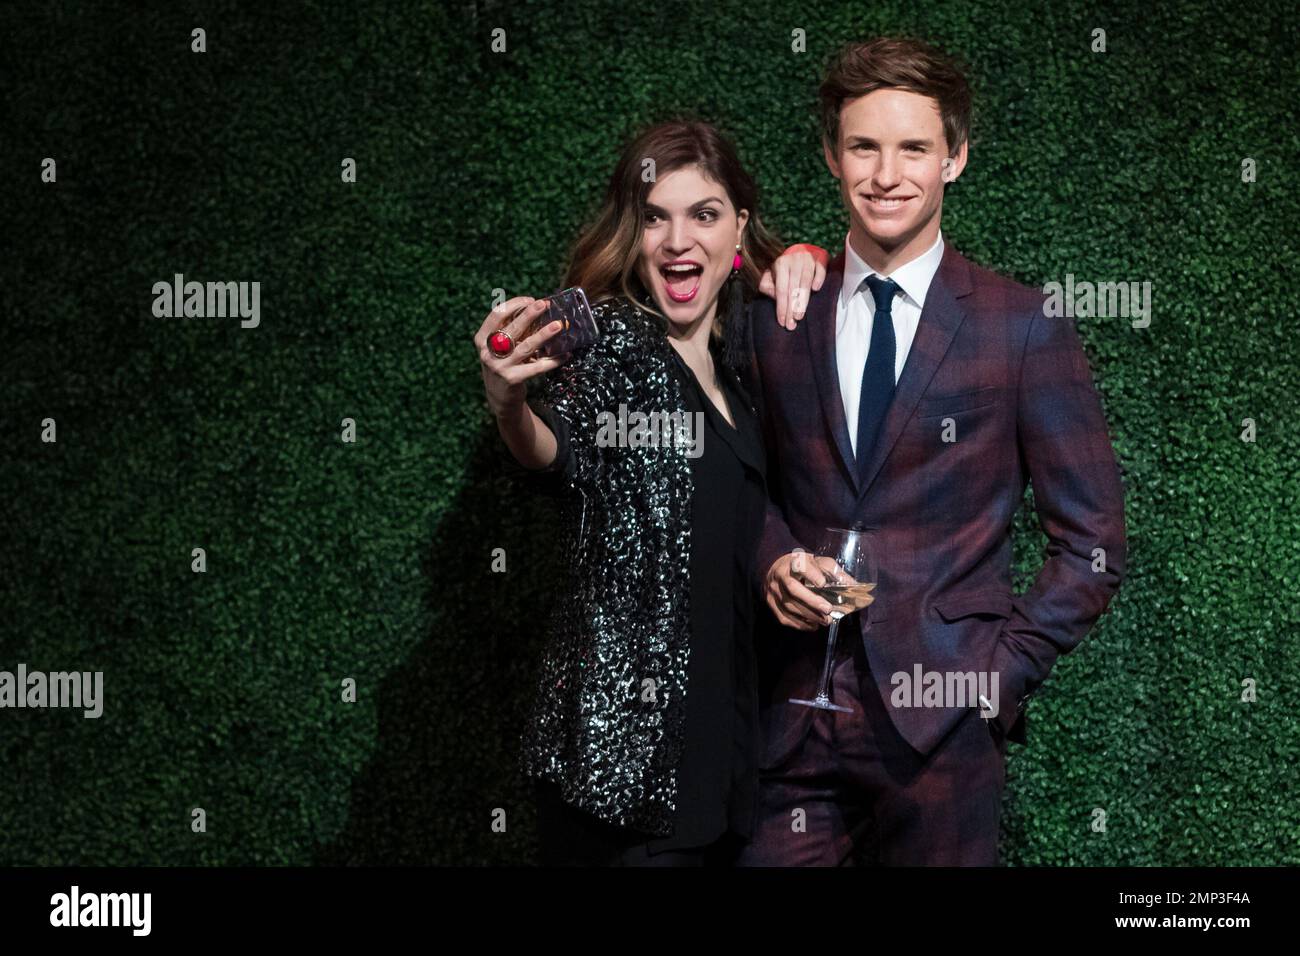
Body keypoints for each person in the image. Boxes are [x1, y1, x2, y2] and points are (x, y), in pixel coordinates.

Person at [738, 36, 1128, 865]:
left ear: (954, 158)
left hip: (943, 731)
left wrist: (997, 678)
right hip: (792, 718)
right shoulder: (780, 317)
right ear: (831, 158)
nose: (887, 174)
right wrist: (773, 559)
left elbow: (1092, 540)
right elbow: (746, 485)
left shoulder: (1022, 325)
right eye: (863, 147)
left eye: (914, 147)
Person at [474, 118, 815, 866]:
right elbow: (557, 446)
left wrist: (801, 258)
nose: (677, 240)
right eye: (655, 216)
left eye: (704, 215)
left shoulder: (736, 369)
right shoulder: (616, 348)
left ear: (738, 229)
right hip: (621, 778)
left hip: (720, 763)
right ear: (633, 233)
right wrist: (509, 406)